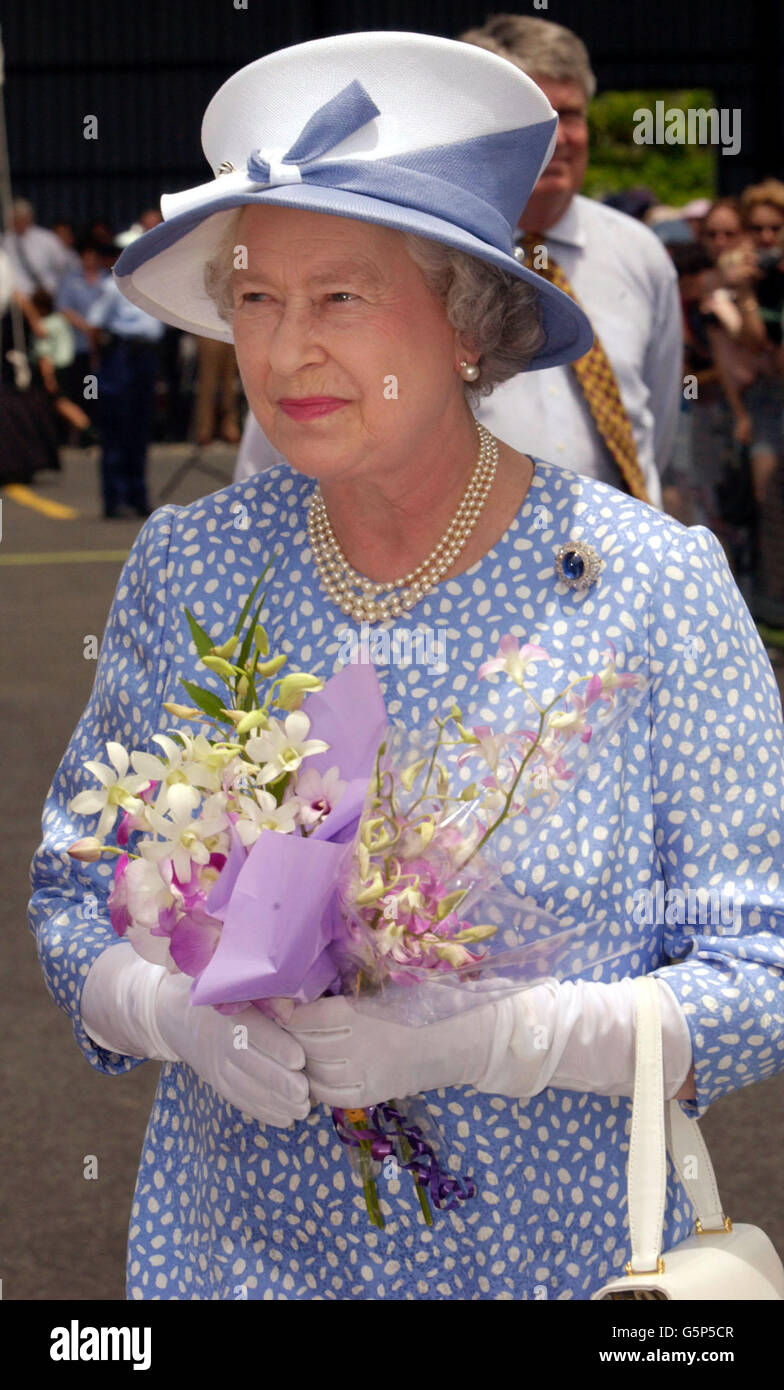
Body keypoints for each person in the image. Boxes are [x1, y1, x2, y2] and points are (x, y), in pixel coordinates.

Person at [29, 31, 784, 1302]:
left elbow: (759, 973)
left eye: (338, 297)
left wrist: (498, 1042)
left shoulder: (652, 586)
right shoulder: (192, 565)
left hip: (559, 1266)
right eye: (255, 298)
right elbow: (71, 895)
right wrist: (171, 1018)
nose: (278, 354)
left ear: (470, 324)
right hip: (233, 1260)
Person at [232, 16, 682, 508]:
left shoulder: (641, 254)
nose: (555, 141)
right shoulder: (396, 253)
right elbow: (297, 411)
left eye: (568, 116)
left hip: (618, 561)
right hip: (449, 563)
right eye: (527, 126)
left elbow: (657, 418)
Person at [85, 244, 165, 518]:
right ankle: (115, 498)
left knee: (139, 430)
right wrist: (99, 362)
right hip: (121, 356)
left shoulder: (148, 285)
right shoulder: (112, 288)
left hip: (145, 358)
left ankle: (138, 495)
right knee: (116, 428)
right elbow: (94, 325)